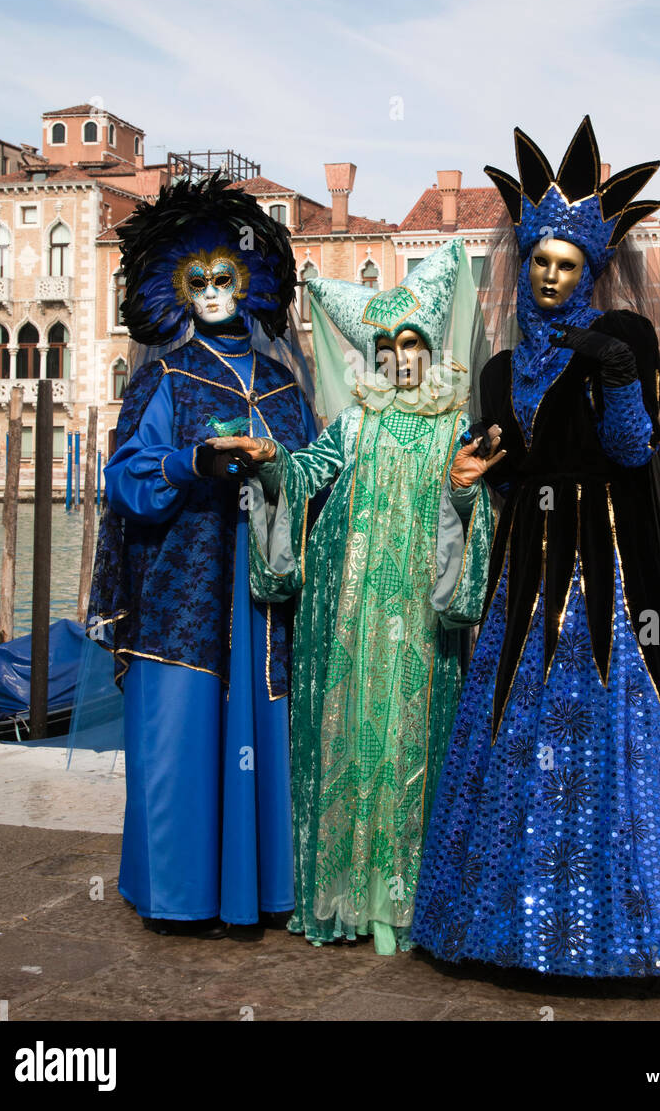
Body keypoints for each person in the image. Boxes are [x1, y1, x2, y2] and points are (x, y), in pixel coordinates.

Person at [412, 119, 660, 976]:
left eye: (569, 264)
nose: (553, 277)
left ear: (591, 268)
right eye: (541, 261)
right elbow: (512, 472)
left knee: (618, 720)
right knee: (519, 722)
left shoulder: (623, 342)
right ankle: (512, 924)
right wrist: (471, 477)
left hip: (609, 562)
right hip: (526, 568)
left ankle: (639, 916)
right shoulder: (499, 370)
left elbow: (632, 452)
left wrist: (614, 372)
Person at [210, 238, 497, 954]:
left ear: (431, 346)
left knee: (411, 744)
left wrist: (464, 491)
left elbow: (471, 505)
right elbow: (308, 478)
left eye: (413, 341)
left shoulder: (455, 425)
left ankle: (408, 900)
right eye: (388, 344)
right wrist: (275, 460)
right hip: (353, 617)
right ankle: (352, 895)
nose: (402, 357)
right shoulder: (358, 422)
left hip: (423, 619)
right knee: (356, 743)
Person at [87, 173, 317, 935]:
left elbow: (319, 479)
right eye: (199, 280)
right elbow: (124, 481)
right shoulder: (164, 378)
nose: (214, 292)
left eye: (227, 278)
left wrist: (281, 471)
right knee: (186, 728)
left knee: (265, 729)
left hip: (265, 594)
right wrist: (195, 463)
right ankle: (183, 897)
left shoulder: (286, 387)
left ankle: (264, 891)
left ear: (251, 286)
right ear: (177, 290)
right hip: (186, 587)